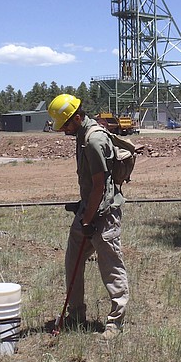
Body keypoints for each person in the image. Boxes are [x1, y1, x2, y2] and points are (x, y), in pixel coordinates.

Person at [47, 93, 129, 341]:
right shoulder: (82, 135)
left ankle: (115, 321)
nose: (63, 132)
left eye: (65, 126)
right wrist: (84, 216)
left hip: (102, 214)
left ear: (77, 117)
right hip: (88, 210)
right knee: (73, 260)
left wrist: (88, 219)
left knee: (111, 268)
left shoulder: (93, 141)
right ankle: (76, 315)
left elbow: (99, 186)